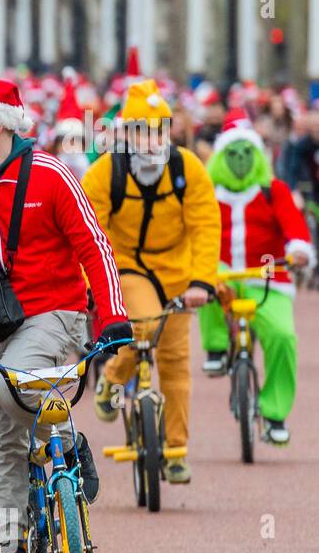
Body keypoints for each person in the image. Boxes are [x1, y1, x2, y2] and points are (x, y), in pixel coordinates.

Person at [0, 78, 130, 553]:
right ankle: (11, 547)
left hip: (56, 314)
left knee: (8, 388)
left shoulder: (52, 175)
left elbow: (94, 247)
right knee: (0, 437)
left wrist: (111, 316)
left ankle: (65, 442)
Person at [83, 80, 220, 485]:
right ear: (125, 131)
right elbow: (89, 232)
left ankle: (175, 450)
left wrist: (202, 281)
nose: (150, 138)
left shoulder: (187, 167)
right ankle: (113, 376)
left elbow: (206, 224)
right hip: (128, 267)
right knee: (141, 325)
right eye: (141, 129)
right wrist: (93, 284)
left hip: (178, 273)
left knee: (176, 363)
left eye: (158, 129)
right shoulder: (107, 171)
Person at [197, 112, 313, 444]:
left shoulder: (272, 190)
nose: (240, 162)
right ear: (221, 157)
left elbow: (294, 225)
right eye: (232, 155)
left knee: (283, 336)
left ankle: (275, 412)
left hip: (268, 277)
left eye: (246, 154)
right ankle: (217, 347)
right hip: (225, 274)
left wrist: (299, 249)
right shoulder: (207, 191)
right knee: (204, 279)